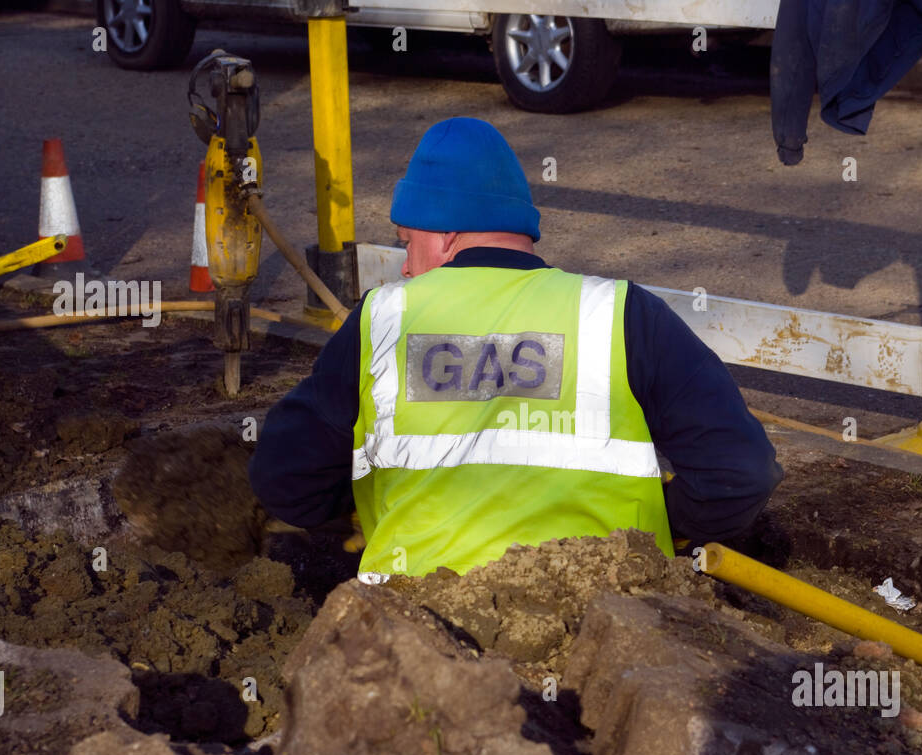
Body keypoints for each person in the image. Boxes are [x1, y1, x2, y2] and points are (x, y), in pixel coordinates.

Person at [249, 117, 782, 581]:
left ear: (447, 232)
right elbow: (741, 473)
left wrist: (375, 509)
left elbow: (284, 477)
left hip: (412, 633)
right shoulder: (622, 314)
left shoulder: (382, 320)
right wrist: (654, 533)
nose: (407, 266)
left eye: (407, 240)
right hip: (606, 618)